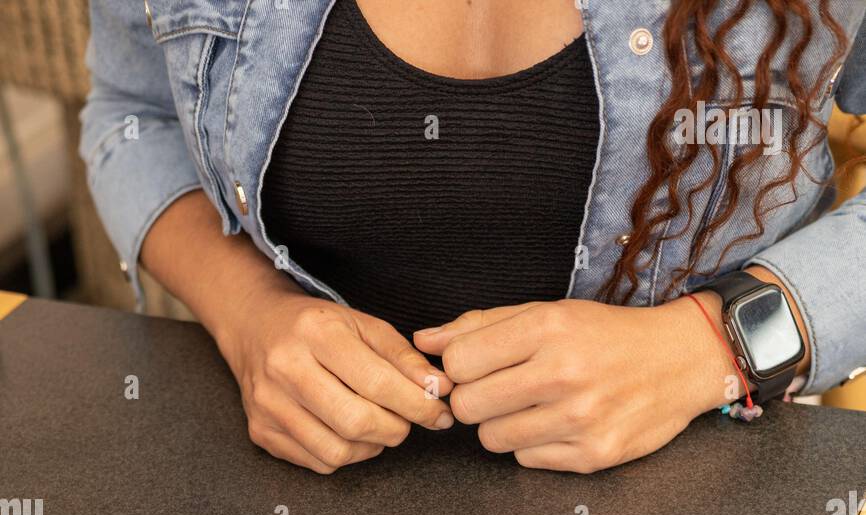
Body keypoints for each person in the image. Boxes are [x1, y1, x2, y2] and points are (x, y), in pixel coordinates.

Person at [82, 0, 866, 474]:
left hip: (719, 494)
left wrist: (713, 348)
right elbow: (132, 111)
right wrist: (248, 314)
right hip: (298, 493)